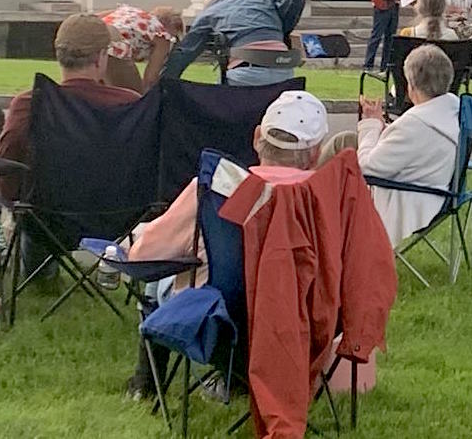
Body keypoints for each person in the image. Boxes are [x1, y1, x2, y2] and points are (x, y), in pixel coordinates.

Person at [124, 89, 333, 398]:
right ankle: (235, 381)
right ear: (314, 154)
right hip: (305, 323)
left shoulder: (216, 190)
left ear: (257, 137)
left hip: (223, 325)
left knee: (159, 279)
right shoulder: (327, 199)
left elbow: (143, 256)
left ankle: (146, 385)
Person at [0, 13, 141, 192]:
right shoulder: (129, 103)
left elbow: (8, 170)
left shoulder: (28, 104)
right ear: (100, 57)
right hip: (118, 212)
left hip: (43, 212)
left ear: (58, 55)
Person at [353, 45, 461, 244]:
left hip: (409, 197)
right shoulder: (449, 113)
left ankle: (308, 205)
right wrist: (378, 126)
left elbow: (366, 168)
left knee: (341, 151)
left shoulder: (415, 124)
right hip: (430, 188)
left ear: (411, 85)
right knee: (344, 141)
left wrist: (370, 125)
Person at [161, 0, 306, 86]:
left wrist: (164, 85)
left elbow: (184, 53)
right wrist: (283, 29)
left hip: (245, 72)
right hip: (285, 70)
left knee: (218, 104)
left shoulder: (209, 13)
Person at [100, 3, 183, 93]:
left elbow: (93, 18)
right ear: (171, 27)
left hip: (92, 41)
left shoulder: (127, 11)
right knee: (131, 95)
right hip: (116, 47)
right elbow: (150, 78)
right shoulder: (162, 35)